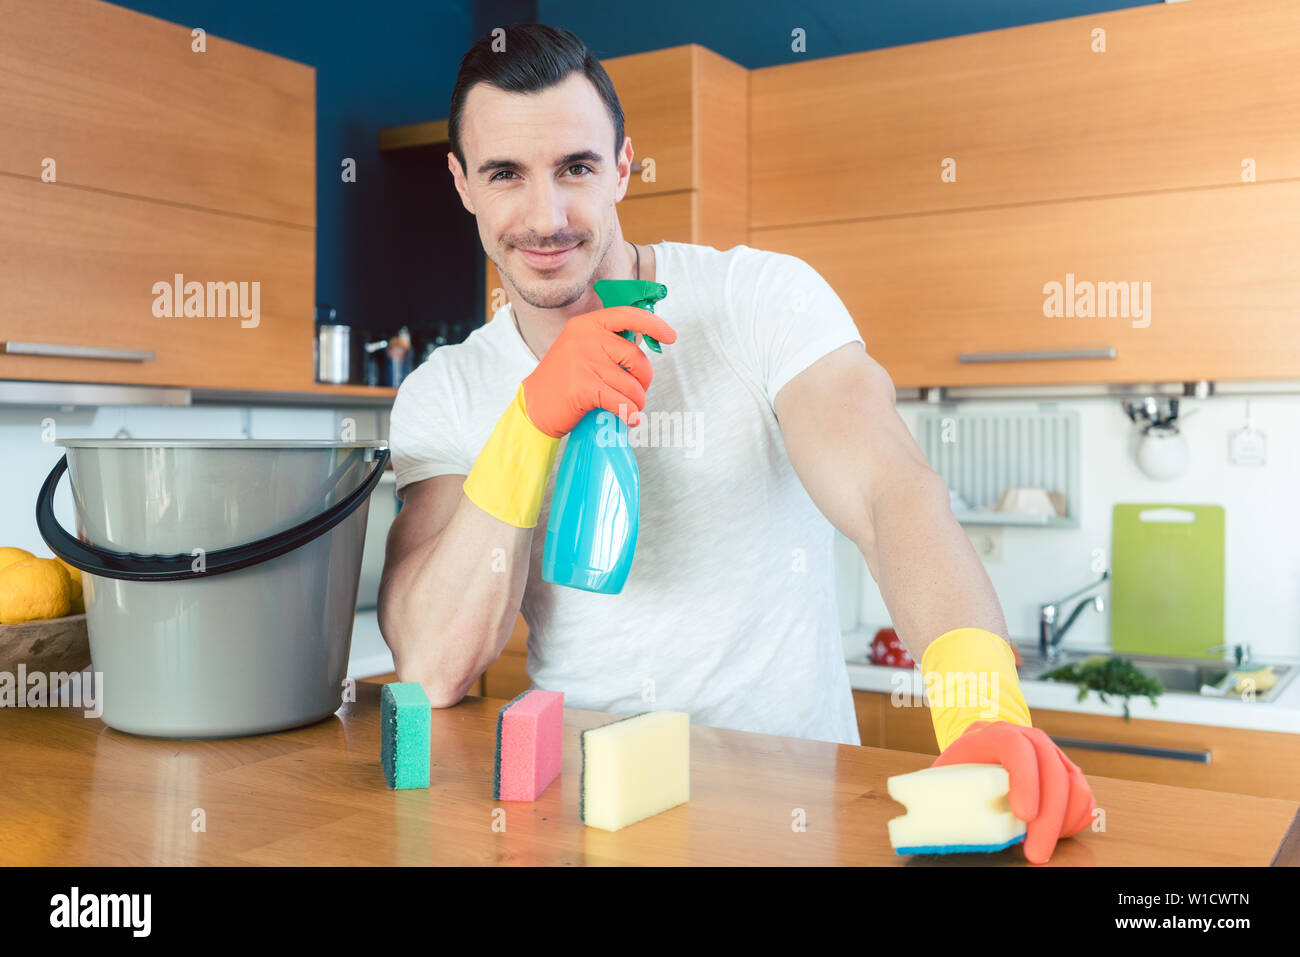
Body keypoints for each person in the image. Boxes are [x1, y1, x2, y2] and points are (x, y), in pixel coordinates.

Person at [379, 23, 1094, 863]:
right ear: (462, 182)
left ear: (623, 166)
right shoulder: (448, 389)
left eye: (576, 166)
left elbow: (888, 489)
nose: (547, 216)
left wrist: (982, 709)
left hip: (789, 812)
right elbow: (432, 667)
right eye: (505, 174)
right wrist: (532, 421)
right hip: (579, 817)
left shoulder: (760, 299)